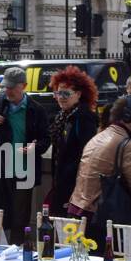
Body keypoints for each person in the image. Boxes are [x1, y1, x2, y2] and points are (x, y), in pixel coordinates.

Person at [67, 95, 131, 245]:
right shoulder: (127, 144)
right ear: (128, 116)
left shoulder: (98, 137)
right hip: (104, 218)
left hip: (80, 211)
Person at [0, 66, 51, 244]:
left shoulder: (36, 109)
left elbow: (45, 139)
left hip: (23, 171)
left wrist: (35, 147)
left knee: (20, 216)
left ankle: (19, 249)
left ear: (24, 86)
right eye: (6, 86)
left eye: (12, 87)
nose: (8, 91)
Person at [47, 66, 100, 215]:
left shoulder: (84, 117)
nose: (61, 97)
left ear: (78, 94)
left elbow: (87, 152)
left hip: (74, 184)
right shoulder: (63, 116)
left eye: (66, 93)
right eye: (58, 93)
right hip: (61, 181)